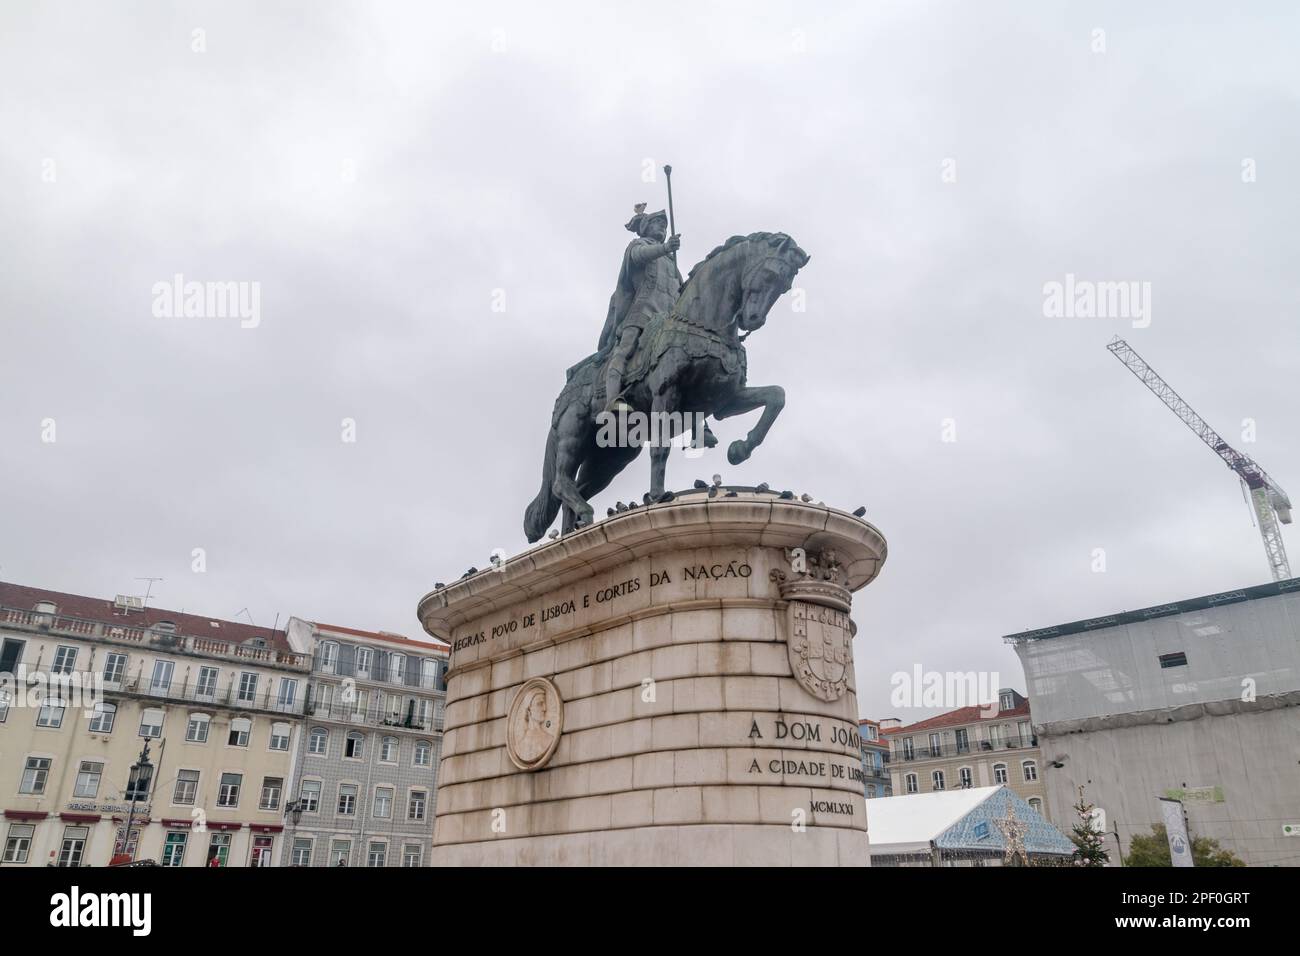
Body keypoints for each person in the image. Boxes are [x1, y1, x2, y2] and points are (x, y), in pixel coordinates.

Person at [596, 204, 681, 418]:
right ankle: (613, 400)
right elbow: (640, 256)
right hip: (642, 313)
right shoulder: (637, 246)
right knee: (624, 351)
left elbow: (682, 288)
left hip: (669, 320)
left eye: (664, 225)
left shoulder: (671, 262)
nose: (662, 228)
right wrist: (665, 248)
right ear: (646, 228)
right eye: (657, 224)